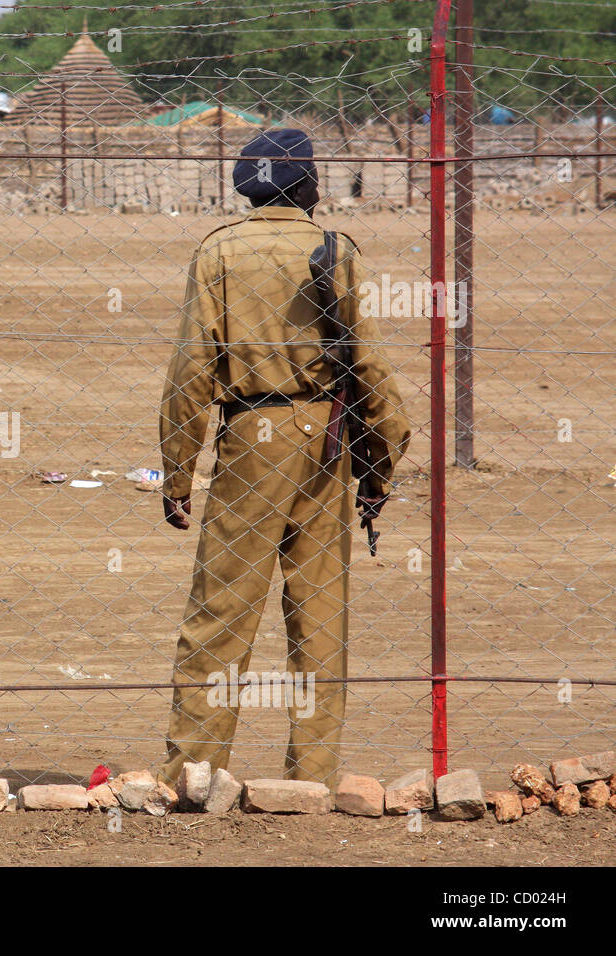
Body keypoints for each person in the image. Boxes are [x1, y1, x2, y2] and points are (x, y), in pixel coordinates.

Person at [158, 128, 412, 787]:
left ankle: (195, 770)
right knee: (320, 614)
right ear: (304, 188)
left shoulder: (217, 252)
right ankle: (310, 778)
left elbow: (191, 372)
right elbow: (372, 368)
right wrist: (378, 468)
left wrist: (178, 474)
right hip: (327, 440)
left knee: (221, 611)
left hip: (249, 439)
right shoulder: (335, 250)